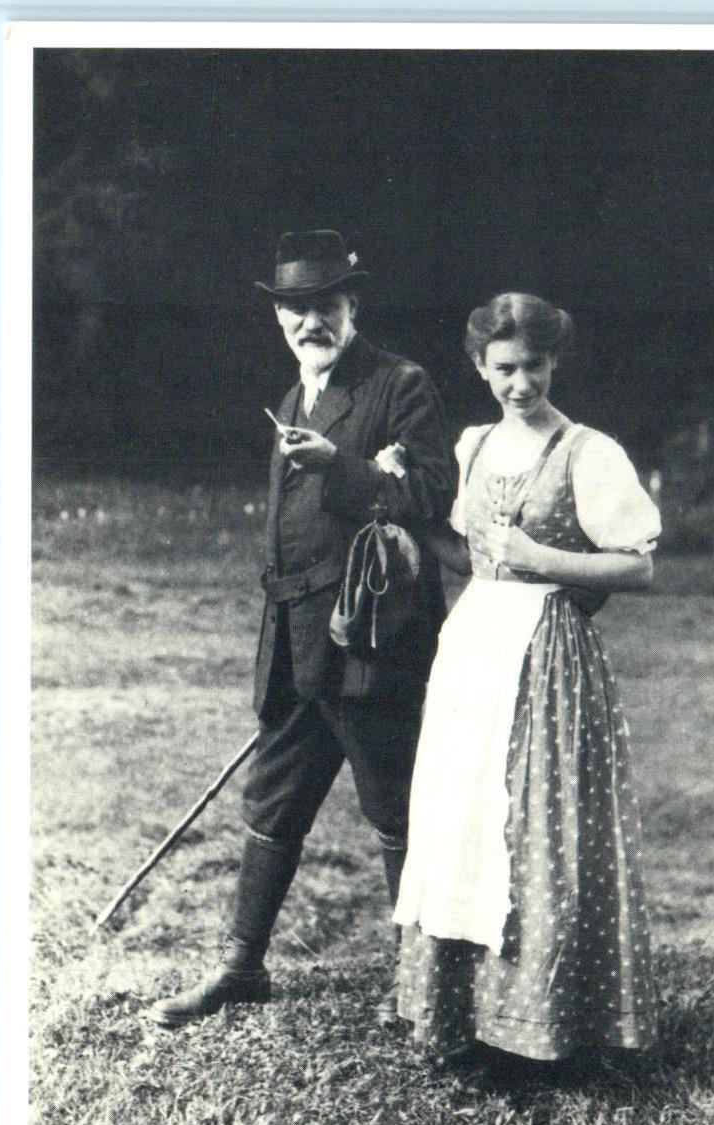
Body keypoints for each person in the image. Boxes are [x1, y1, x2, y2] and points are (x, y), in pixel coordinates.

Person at [152, 229, 455, 1028]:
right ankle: (241, 967)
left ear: (352, 305)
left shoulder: (399, 385)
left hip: (369, 642)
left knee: (394, 806)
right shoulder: (291, 398)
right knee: (273, 799)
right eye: (294, 308)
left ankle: (421, 985)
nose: (308, 321)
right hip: (294, 644)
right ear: (278, 318)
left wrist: (343, 468)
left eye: (324, 304)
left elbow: (430, 495)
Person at [393, 292, 661, 1061]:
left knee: (535, 824)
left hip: (548, 655)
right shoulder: (472, 446)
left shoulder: (587, 450)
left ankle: (548, 1024)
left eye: (534, 366)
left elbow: (637, 565)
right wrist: (397, 517)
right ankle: (462, 1016)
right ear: (480, 367)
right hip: (473, 646)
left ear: (553, 363)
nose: (521, 384)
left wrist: (542, 560)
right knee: (462, 819)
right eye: (505, 368)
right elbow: (472, 555)